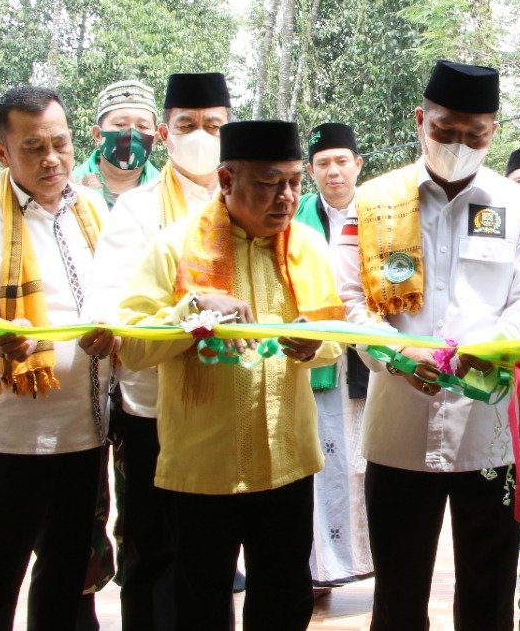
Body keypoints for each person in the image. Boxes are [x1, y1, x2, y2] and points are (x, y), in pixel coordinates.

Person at [336, 60, 520, 630]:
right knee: (398, 593)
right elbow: (351, 302)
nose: (458, 144)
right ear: (420, 120)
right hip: (398, 430)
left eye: (474, 134)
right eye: (444, 130)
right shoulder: (372, 201)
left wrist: (486, 346)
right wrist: (394, 353)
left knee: (488, 592)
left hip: (488, 433)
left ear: (493, 131)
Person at [118, 120, 342, 631]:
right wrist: (192, 309)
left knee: (285, 603)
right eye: (268, 183)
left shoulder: (306, 247)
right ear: (225, 179)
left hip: (287, 464)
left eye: (293, 182)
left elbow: (335, 339)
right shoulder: (174, 248)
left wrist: (317, 343)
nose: (285, 197)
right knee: (198, 606)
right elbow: (130, 345)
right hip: (204, 468)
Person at [0, 86, 121, 631]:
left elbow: (114, 295)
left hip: (87, 426)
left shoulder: (92, 207)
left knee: (69, 572)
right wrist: (2, 336)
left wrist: (114, 331)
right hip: (17, 431)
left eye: (61, 143)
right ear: (2, 153)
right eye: (33, 147)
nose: (51, 159)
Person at [89, 71, 231, 630]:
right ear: (165, 135)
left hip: (226, 405)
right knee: (151, 550)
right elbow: (110, 302)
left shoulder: (249, 202)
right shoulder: (138, 210)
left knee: (213, 554)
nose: (200, 135)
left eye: (213, 125)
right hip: (154, 407)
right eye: (187, 125)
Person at [294, 122, 374, 593]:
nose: (334, 171)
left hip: (370, 355)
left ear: (358, 164)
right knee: (323, 461)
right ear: (310, 171)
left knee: (365, 462)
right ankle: (320, 569)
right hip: (320, 359)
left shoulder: (381, 213)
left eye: (342, 160)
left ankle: (369, 560)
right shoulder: (297, 216)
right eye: (323, 163)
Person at [72, 79, 160, 208]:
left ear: (154, 140)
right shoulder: (71, 189)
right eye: (120, 124)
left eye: (142, 126)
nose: (132, 133)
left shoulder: (165, 192)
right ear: (98, 134)